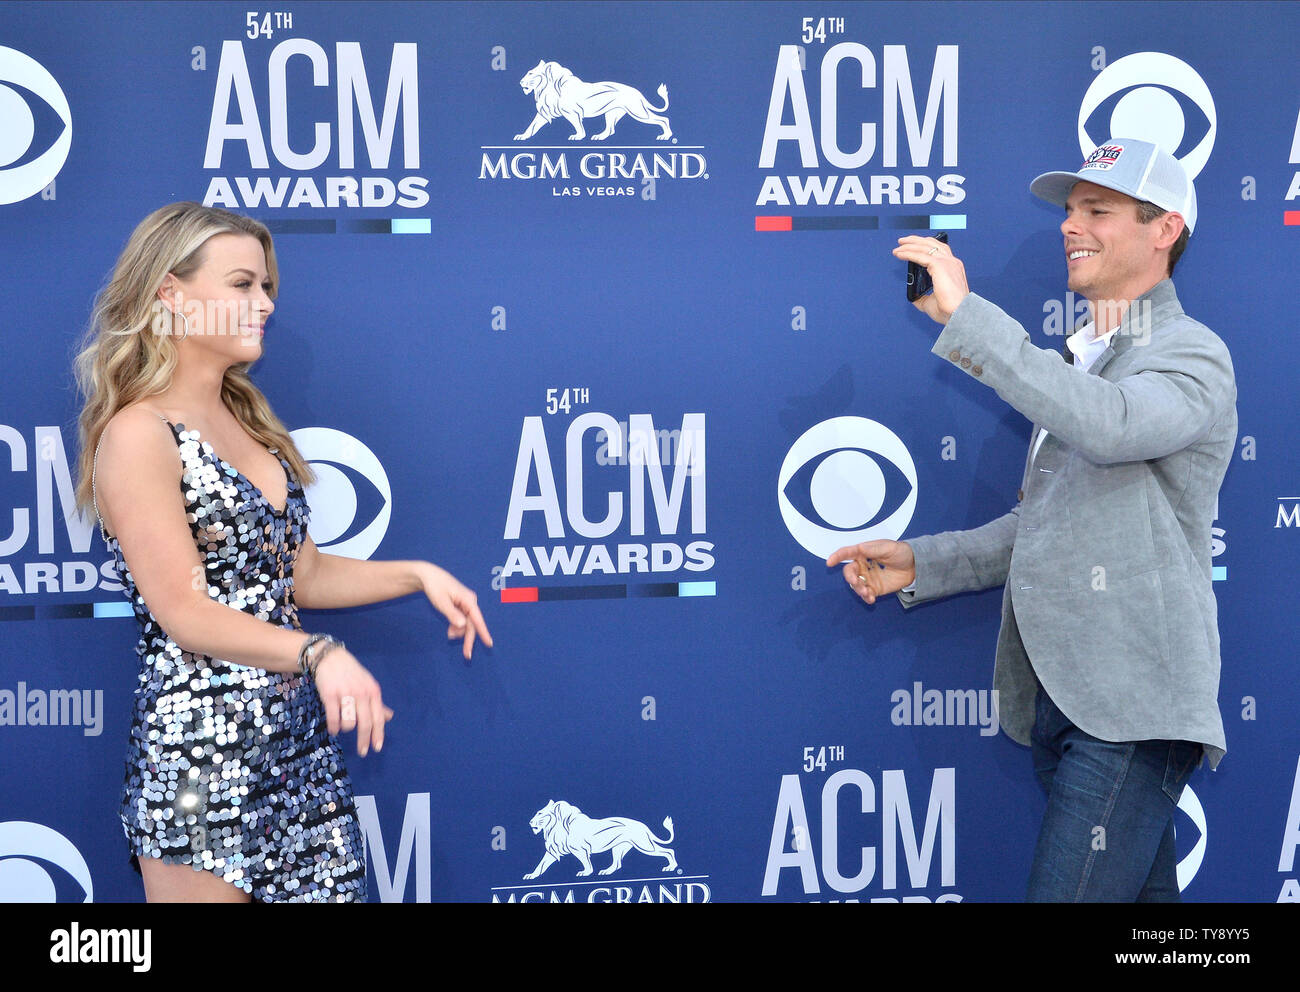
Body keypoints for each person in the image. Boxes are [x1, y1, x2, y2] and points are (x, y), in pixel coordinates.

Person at [827, 138, 1237, 902]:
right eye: (1070, 209)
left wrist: (969, 319)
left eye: (1098, 209)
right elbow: (1048, 524)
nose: (1069, 226)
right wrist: (926, 562)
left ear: (1164, 229)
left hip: (1129, 713)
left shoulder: (1191, 354)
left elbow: (1112, 425)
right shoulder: (1085, 364)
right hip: (1067, 708)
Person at [72, 202, 493, 903]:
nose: (264, 303)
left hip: (296, 750)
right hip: (199, 766)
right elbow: (183, 610)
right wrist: (319, 654)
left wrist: (417, 574)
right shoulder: (138, 434)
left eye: (266, 287)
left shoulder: (247, 421)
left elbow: (301, 574)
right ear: (171, 295)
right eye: (242, 284)